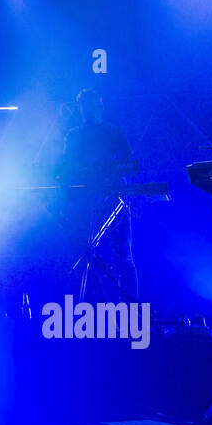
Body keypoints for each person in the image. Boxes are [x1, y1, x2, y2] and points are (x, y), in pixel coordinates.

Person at [57, 89, 139, 299]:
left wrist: (104, 173)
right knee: (85, 254)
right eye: (83, 104)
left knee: (123, 255)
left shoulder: (113, 132)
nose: (86, 108)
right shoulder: (73, 135)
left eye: (90, 103)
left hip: (113, 199)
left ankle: (131, 312)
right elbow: (65, 168)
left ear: (100, 104)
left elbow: (128, 164)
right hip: (84, 201)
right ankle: (89, 310)